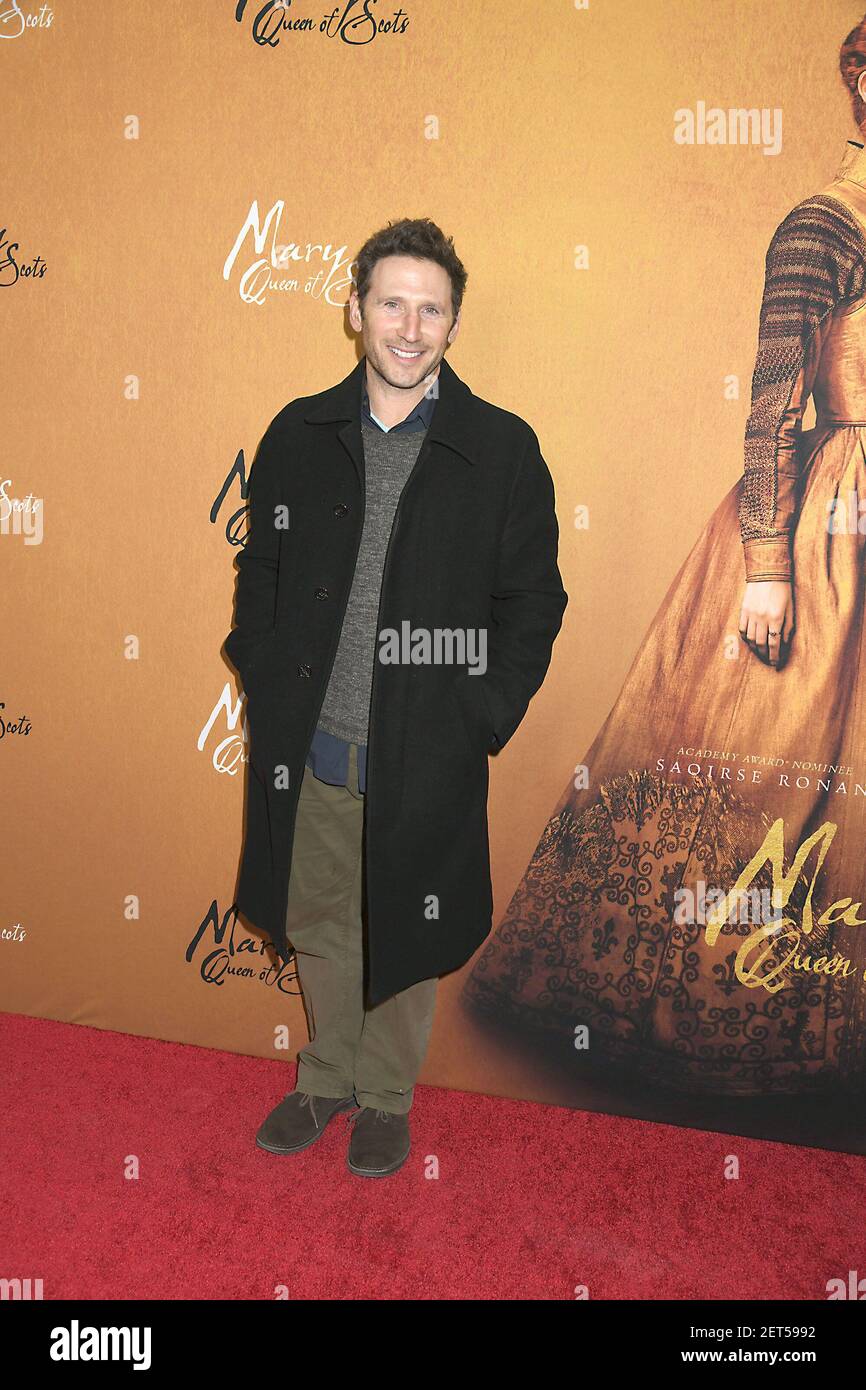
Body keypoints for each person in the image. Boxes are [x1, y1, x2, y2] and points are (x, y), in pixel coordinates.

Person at [462, 19, 866, 1102]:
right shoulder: (822, 226)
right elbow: (773, 399)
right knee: (761, 786)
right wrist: (768, 564)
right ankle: (704, 1069)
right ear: (858, 79)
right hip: (822, 543)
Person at [223, 217, 568, 1176]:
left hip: (427, 750)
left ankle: (385, 1097)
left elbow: (532, 600)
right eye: (392, 303)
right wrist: (259, 660)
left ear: (453, 325)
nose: (409, 328)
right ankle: (325, 1078)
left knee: (403, 931)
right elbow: (265, 564)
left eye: (432, 309)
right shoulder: (300, 431)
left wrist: (481, 713)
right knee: (322, 921)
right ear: (355, 310)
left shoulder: (499, 448)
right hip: (316, 740)